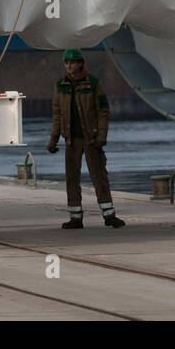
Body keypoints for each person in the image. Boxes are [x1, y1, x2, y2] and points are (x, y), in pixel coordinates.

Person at [47, 48, 125, 229]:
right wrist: (53, 139)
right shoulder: (60, 86)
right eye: (66, 63)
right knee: (72, 179)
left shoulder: (94, 84)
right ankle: (75, 217)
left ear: (81, 64)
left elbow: (103, 111)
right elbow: (57, 115)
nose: (69, 66)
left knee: (99, 177)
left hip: (91, 139)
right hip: (71, 140)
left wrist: (101, 135)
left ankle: (109, 215)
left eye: (72, 62)